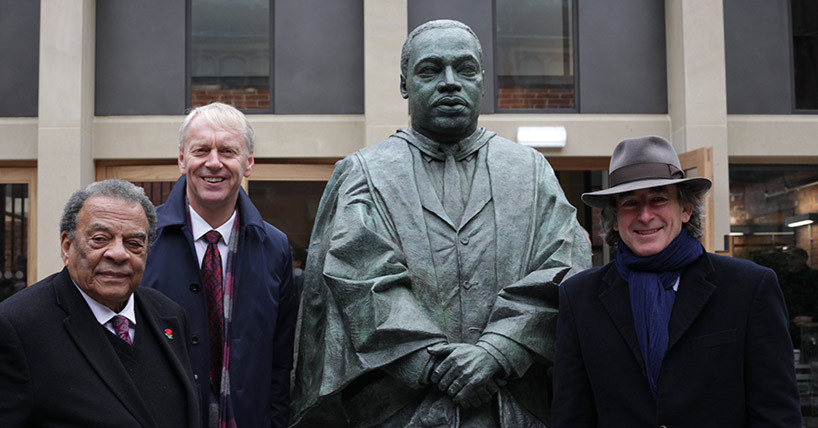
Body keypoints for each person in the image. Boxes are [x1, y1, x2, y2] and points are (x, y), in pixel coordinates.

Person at [291, 19, 590, 427]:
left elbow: (564, 266)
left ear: (482, 80)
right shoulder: (366, 172)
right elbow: (356, 278)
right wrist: (433, 364)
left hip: (514, 410)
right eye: (430, 70)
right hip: (399, 410)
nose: (450, 82)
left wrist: (498, 350)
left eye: (465, 69)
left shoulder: (529, 170)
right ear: (404, 85)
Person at [551, 135, 802, 427]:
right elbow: (571, 415)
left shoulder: (749, 288)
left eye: (659, 198)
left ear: (685, 209)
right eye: (630, 203)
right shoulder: (580, 297)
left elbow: (777, 414)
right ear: (615, 220)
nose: (645, 215)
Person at [141, 102, 296, 428]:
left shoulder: (275, 247)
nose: (214, 163)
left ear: (249, 162)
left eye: (228, 151)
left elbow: (281, 361)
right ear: (182, 160)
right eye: (201, 150)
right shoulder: (142, 239)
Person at [0, 179, 200, 427]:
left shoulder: (169, 315)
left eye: (134, 243)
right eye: (100, 239)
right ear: (67, 246)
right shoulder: (18, 326)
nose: (118, 254)